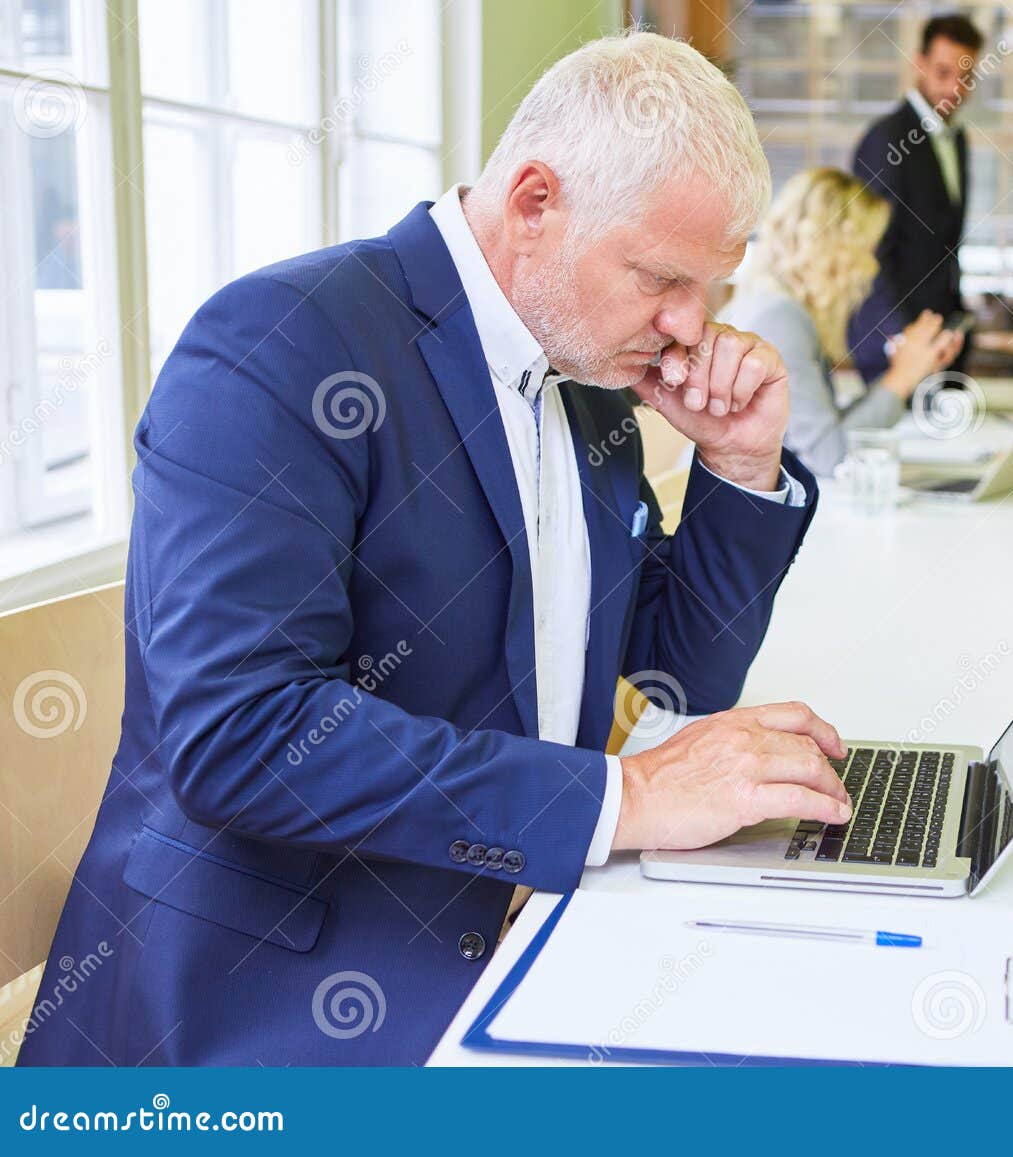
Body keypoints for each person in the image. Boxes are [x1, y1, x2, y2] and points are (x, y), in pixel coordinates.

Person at [18, 32, 854, 1068]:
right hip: (261, 1007)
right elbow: (240, 734)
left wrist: (738, 464)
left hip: (517, 936)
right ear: (536, 202)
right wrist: (626, 797)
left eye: (711, 289)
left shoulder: (587, 377)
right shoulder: (279, 345)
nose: (689, 328)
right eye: (660, 278)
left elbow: (669, 672)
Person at [721, 168, 964, 476]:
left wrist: (908, 372)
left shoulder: (773, 305)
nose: (873, 265)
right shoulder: (778, 319)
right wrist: (900, 379)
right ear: (833, 250)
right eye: (866, 249)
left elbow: (830, 429)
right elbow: (829, 456)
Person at [847, 12, 982, 384]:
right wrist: (904, 339)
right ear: (918, 65)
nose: (955, 89)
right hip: (894, 341)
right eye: (943, 73)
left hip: (940, 338)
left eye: (966, 77)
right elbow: (870, 252)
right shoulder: (887, 139)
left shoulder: (957, 140)